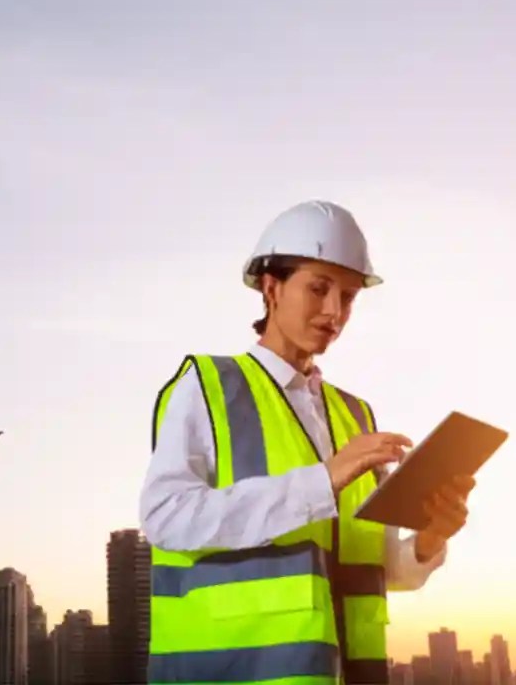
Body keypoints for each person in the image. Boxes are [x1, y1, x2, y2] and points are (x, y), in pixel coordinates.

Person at [138, 200, 477, 685]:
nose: (334, 311)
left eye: (349, 296)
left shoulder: (354, 416)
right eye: (318, 289)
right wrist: (324, 480)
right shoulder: (209, 386)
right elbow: (166, 518)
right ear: (271, 288)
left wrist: (428, 540)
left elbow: (373, 569)